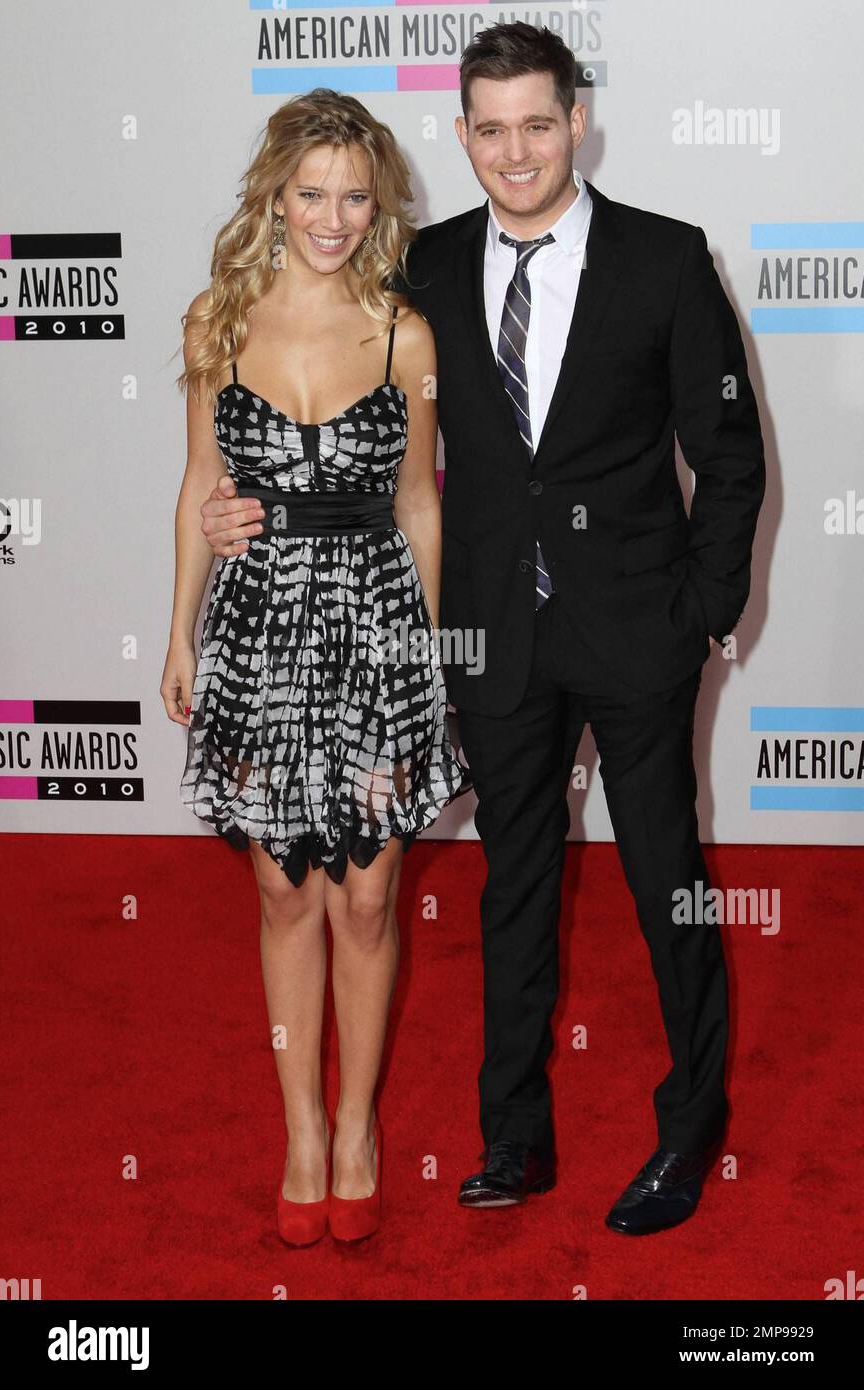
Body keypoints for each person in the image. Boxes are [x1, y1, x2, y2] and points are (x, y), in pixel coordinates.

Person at [197, 23, 766, 1236]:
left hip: (635, 631)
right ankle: (513, 1130)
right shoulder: (428, 270)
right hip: (492, 637)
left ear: (577, 125)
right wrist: (228, 497)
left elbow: (726, 455)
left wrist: (701, 614)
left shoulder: (664, 260)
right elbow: (340, 406)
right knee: (515, 883)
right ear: (461, 136)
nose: (516, 150)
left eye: (538, 124)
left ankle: (687, 1125)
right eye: (491, 128)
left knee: (667, 877)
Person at [160, 90, 472, 1246]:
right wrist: (182, 631)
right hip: (254, 632)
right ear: (275, 196)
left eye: (354, 195)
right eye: (311, 193)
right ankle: (298, 1129)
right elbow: (199, 493)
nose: (333, 217)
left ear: (377, 202)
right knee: (285, 889)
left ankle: (356, 1126)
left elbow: (418, 507)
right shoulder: (216, 320)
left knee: (370, 892)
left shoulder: (405, 334)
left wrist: (427, 661)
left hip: (374, 632)